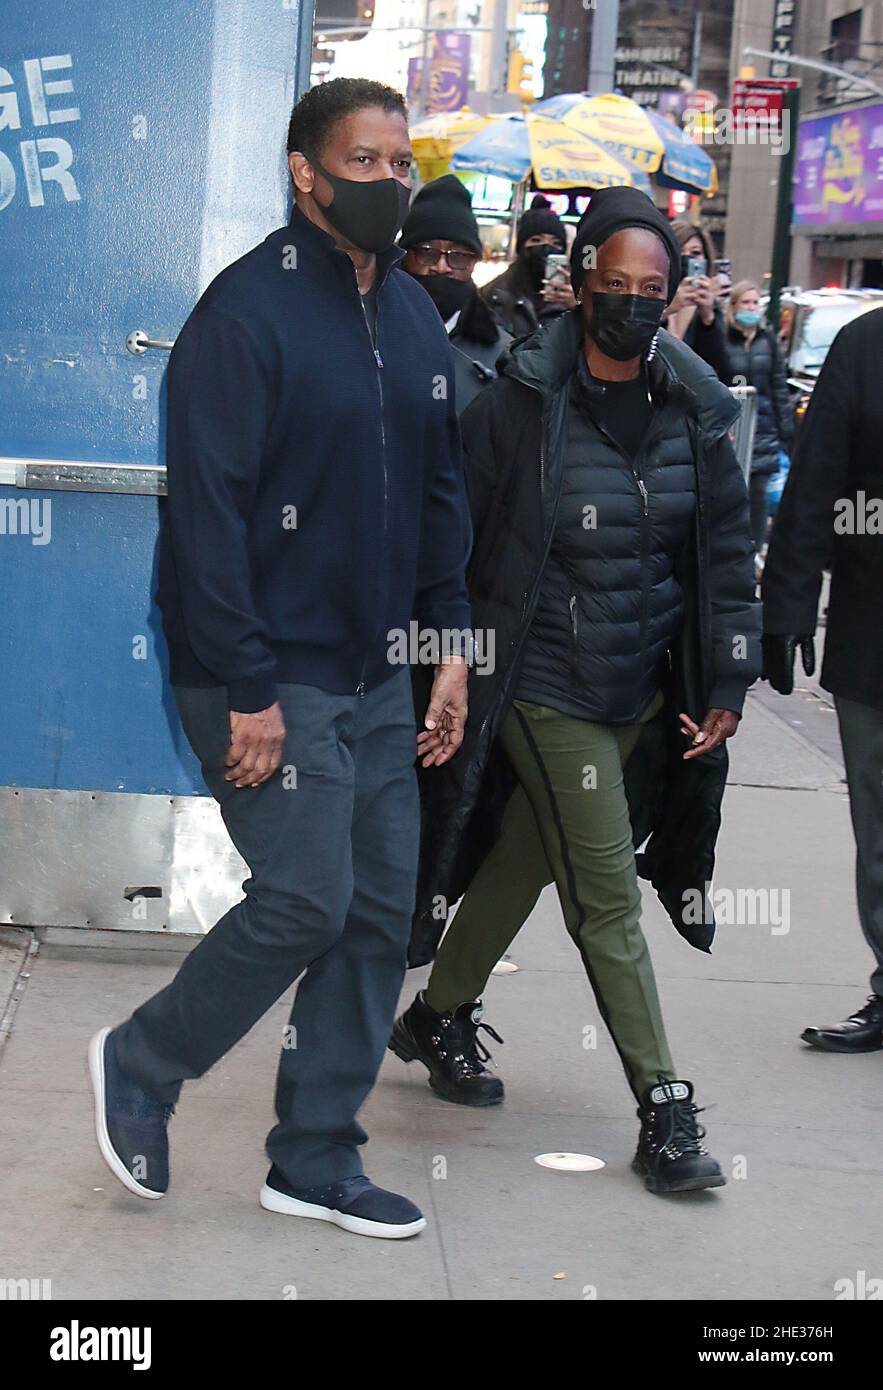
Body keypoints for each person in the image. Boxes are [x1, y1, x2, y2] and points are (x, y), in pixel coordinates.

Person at [87, 78, 472, 1241]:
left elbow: (440, 498)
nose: (388, 183)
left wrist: (447, 647)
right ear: (304, 173)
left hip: (376, 670)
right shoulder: (242, 315)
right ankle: (145, 1060)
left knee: (375, 915)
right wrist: (247, 685)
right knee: (306, 897)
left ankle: (313, 1156)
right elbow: (205, 520)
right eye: (364, 163)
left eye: (401, 163)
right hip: (260, 668)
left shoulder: (410, 318)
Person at [390, 185, 761, 1196]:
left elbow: (724, 551)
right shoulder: (516, 401)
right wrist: (450, 660)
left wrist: (727, 668)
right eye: (616, 282)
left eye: (654, 289)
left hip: (646, 686)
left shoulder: (695, 406)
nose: (633, 302)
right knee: (604, 892)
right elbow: (460, 545)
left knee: (529, 853)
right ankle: (665, 1109)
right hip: (545, 680)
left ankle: (433, 1014)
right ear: (579, 280)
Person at [762, 307, 883, 1055]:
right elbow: (813, 487)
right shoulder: (864, 347)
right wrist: (786, 608)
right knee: (877, 825)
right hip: (874, 638)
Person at [399, 174, 511, 410]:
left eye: (457, 256)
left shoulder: (503, 356)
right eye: (427, 252)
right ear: (405, 256)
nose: (441, 267)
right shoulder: (364, 335)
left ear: (473, 264)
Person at [723, 279, 794, 561]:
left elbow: (778, 385)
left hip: (763, 431)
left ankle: (753, 554)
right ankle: (731, 552)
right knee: (732, 494)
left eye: (755, 303)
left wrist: (787, 431)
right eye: (746, 303)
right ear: (734, 306)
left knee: (758, 496)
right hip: (732, 429)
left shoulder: (768, 340)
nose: (751, 308)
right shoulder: (722, 338)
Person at [481, 194, 574, 337]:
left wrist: (579, 308)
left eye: (556, 243)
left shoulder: (569, 297)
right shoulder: (493, 294)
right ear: (521, 246)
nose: (546, 248)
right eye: (536, 240)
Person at [663, 219, 730, 379]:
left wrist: (708, 318)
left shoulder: (708, 303)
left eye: (695, 253)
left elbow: (720, 364)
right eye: (680, 251)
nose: (687, 259)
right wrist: (666, 310)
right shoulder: (651, 293)